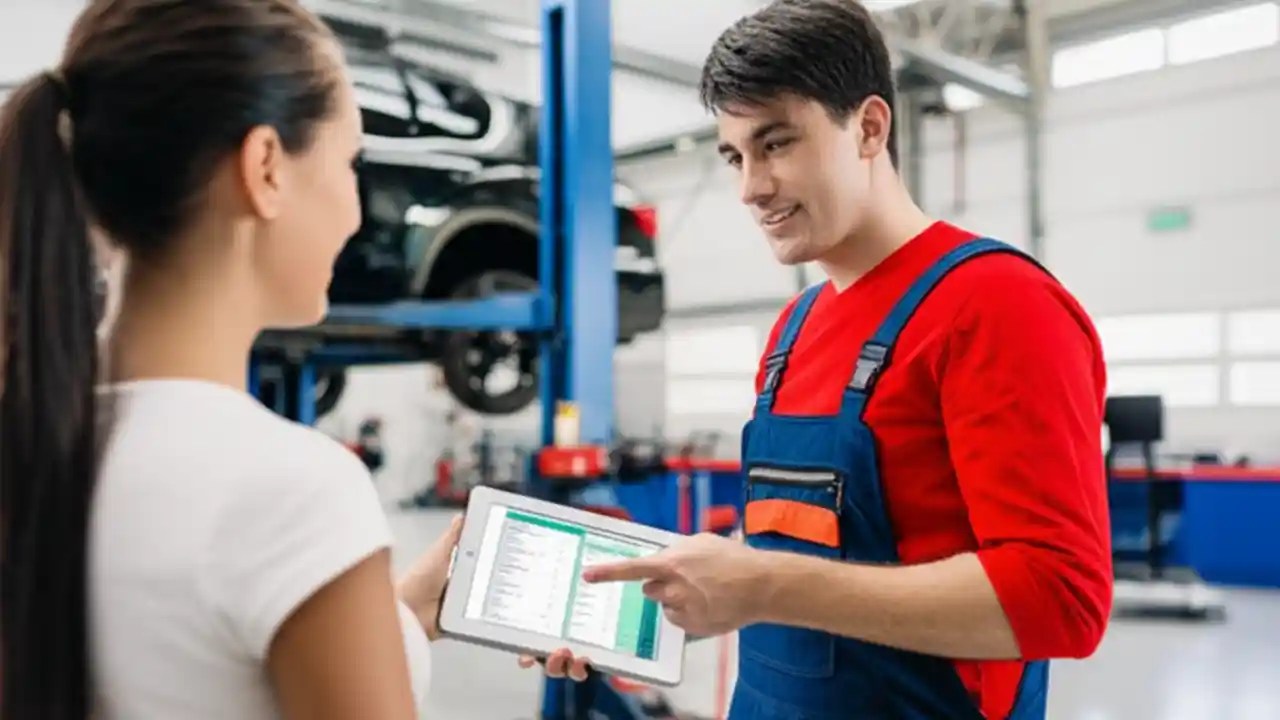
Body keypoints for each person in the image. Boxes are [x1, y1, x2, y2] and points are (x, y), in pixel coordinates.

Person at [535, 1, 1113, 718]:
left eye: (777, 144)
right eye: (735, 156)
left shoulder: (997, 305)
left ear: (869, 127)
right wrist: (644, 604)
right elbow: (791, 539)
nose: (751, 187)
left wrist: (768, 584)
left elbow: (1061, 597)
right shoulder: (794, 329)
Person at [0, 1, 461, 718]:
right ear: (266, 166)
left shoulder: (30, 440)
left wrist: (388, 614)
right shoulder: (294, 492)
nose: (354, 209)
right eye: (349, 162)